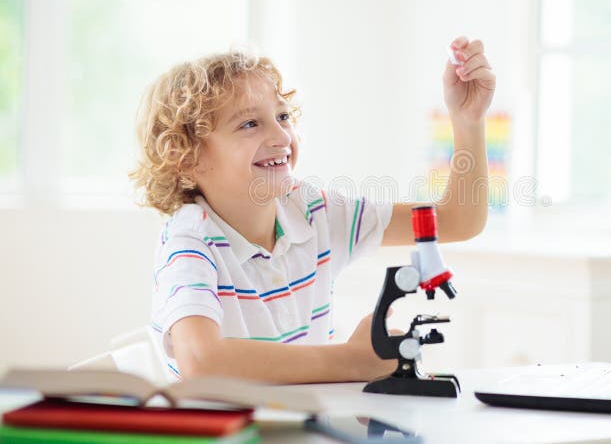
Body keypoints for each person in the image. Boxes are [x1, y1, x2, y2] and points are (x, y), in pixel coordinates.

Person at [129, 36, 495, 383]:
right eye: (250, 123)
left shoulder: (313, 211)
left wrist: (467, 123)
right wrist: (352, 360)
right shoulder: (191, 239)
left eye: (283, 117)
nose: (281, 137)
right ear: (187, 159)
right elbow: (201, 360)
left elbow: (458, 220)